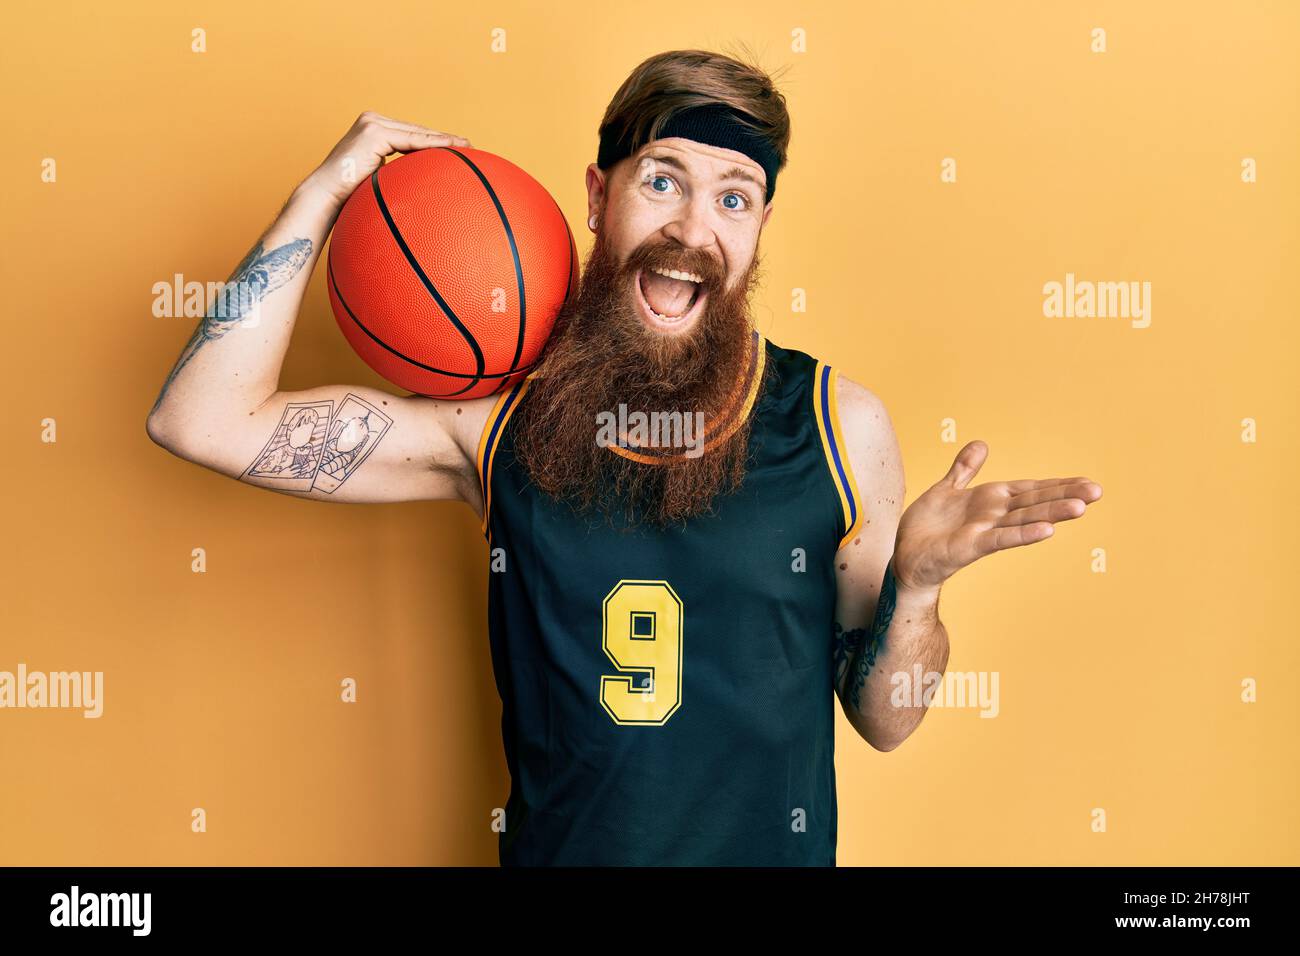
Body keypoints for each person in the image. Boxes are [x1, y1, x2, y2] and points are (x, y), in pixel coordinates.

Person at [146, 49, 1102, 866]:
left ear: (760, 229)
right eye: (663, 181)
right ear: (598, 198)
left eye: (736, 197)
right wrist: (320, 196)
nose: (695, 229)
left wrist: (921, 589)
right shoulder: (495, 421)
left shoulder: (835, 423)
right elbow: (202, 419)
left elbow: (886, 720)